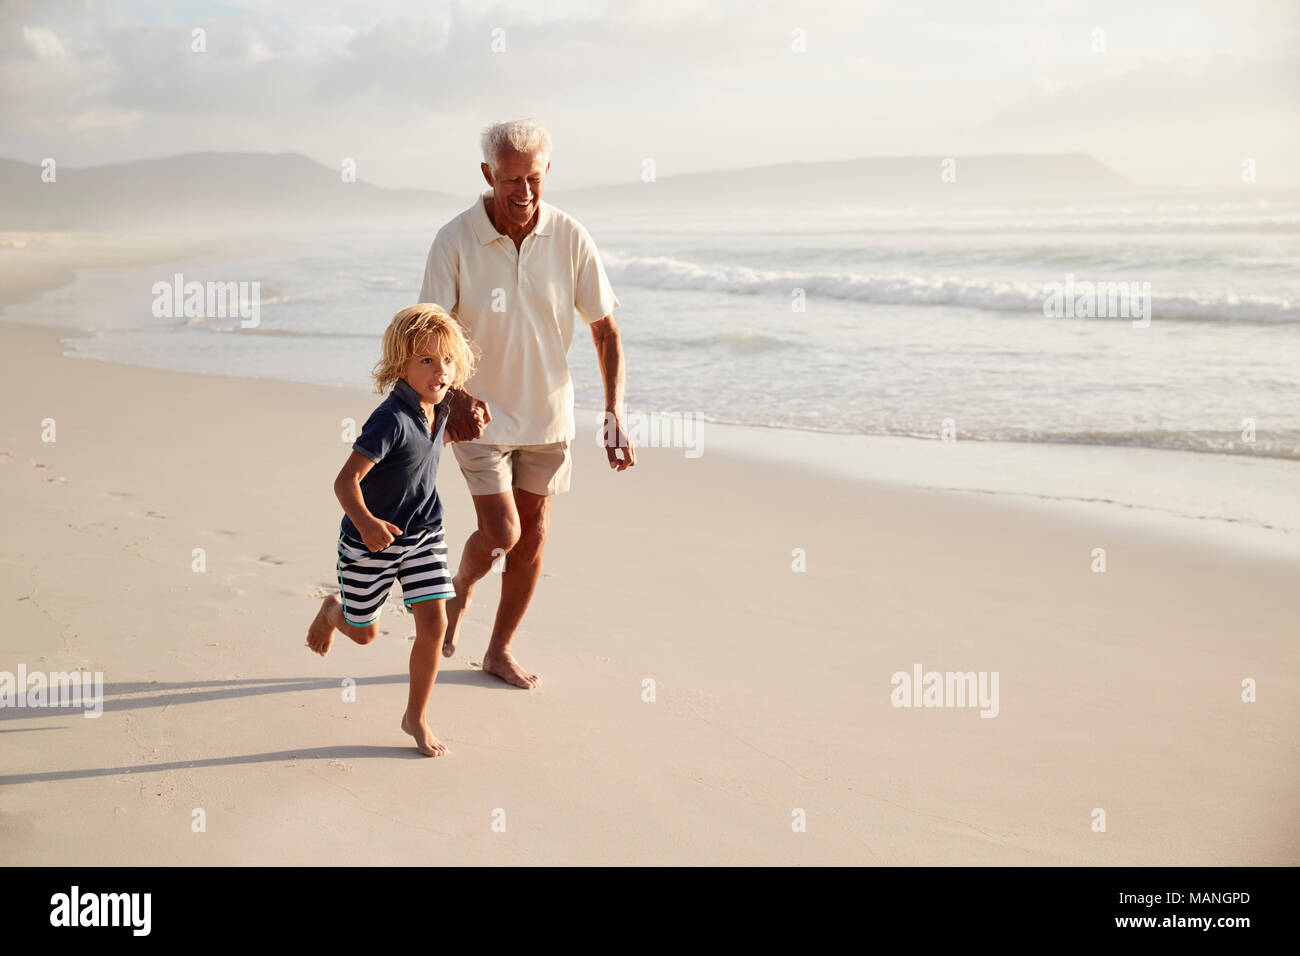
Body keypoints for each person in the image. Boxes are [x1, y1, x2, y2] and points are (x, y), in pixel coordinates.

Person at [421, 118, 635, 690]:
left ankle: (499, 649)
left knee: (532, 535)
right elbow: (430, 336)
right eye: (511, 180)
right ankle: (461, 586)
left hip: (548, 415)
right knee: (500, 533)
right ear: (489, 175)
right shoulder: (455, 240)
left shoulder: (569, 236)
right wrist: (456, 396)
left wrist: (613, 412)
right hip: (477, 415)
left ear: (546, 174)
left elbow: (605, 331)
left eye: (534, 179)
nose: (524, 193)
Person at [305, 303, 477, 757]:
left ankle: (415, 717)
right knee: (365, 634)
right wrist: (365, 523)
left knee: (435, 621)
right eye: (426, 360)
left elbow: (426, 449)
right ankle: (331, 611)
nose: (440, 371)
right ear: (399, 365)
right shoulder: (390, 419)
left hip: (423, 534)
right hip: (368, 544)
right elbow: (345, 481)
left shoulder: (436, 407)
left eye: (447, 360)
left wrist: (467, 422)